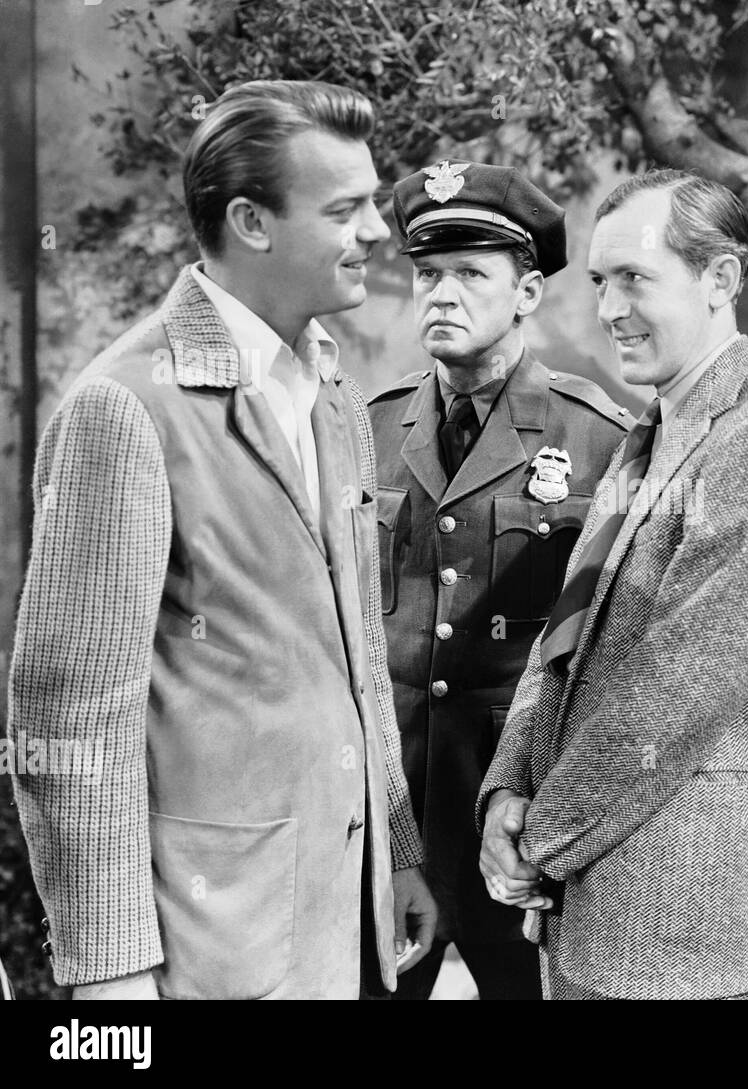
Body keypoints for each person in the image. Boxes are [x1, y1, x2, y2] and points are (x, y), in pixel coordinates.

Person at [6, 79, 435, 999]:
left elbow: (357, 652)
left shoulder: (338, 396)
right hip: (211, 950)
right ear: (251, 221)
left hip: (345, 927)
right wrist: (110, 972)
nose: (377, 232)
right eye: (347, 208)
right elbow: (69, 724)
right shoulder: (123, 408)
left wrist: (394, 851)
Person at [476, 170, 748, 1000]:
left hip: (672, 934)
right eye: (600, 281)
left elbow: (680, 681)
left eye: (635, 278)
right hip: (585, 907)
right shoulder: (650, 431)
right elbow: (564, 642)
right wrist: (505, 787)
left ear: (720, 279)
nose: (608, 309)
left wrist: (537, 835)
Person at [368, 161, 631, 1000]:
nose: (441, 294)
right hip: (389, 822)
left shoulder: (597, 438)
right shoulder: (364, 427)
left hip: (515, 828)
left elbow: (611, 657)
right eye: (428, 274)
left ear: (526, 294)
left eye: (470, 275)